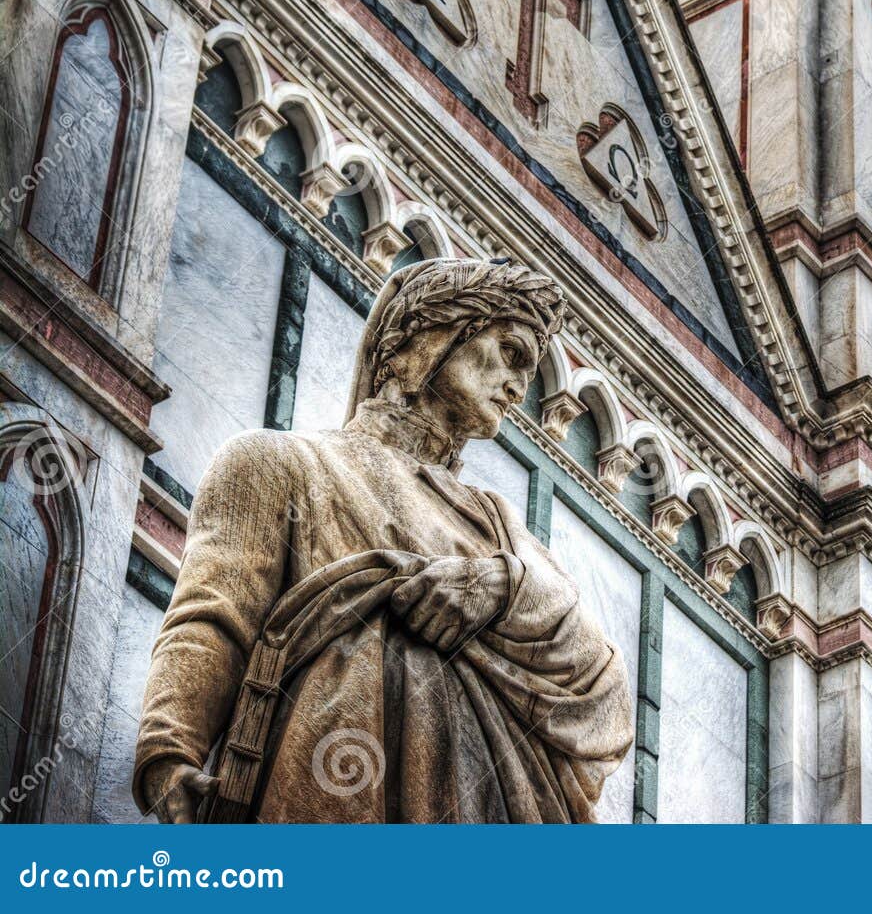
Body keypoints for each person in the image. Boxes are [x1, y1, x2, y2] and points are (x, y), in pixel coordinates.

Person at [133, 259, 633, 822]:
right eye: (511, 353)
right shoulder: (280, 463)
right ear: (429, 336)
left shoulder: (504, 534)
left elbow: (605, 698)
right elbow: (215, 617)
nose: (518, 389)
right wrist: (169, 752)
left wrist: (503, 589)